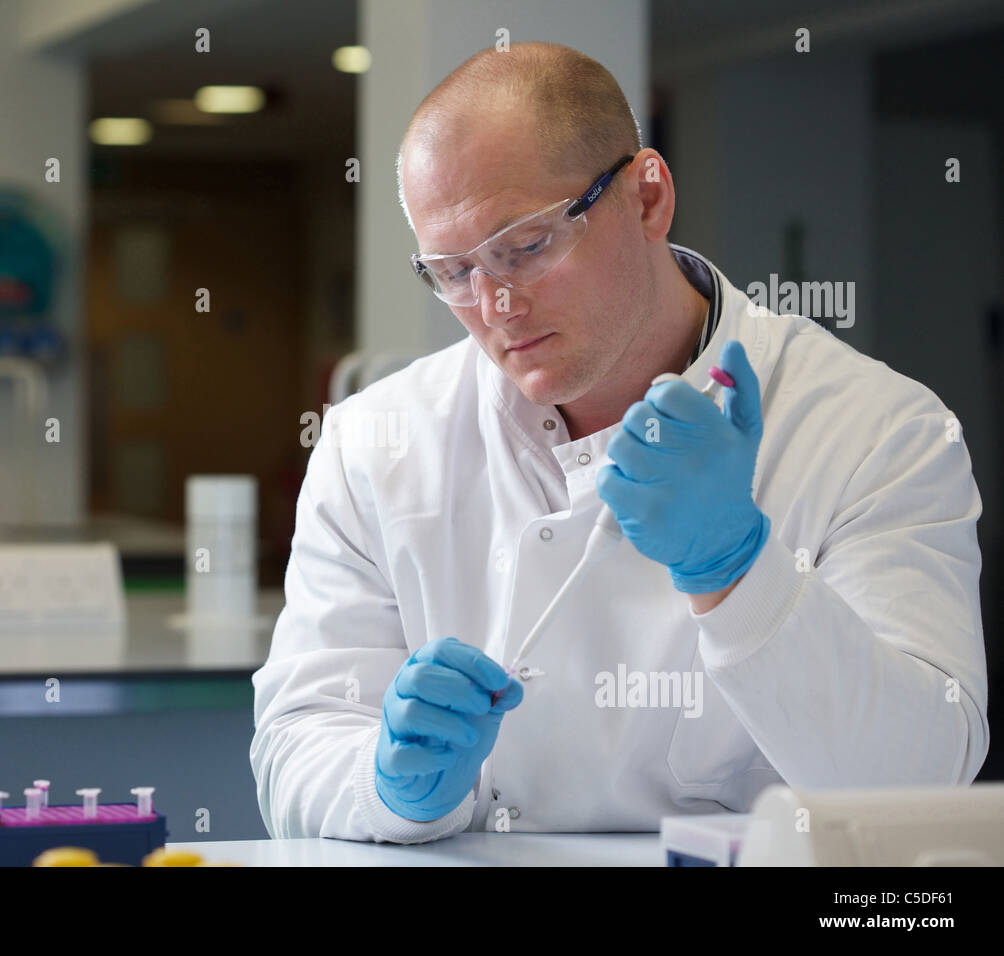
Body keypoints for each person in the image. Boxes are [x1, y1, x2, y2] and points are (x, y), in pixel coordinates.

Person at [250, 42, 988, 843]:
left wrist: (739, 574)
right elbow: (295, 742)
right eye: (454, 272)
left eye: (525, 246)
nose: (494, 304)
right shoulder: (375, 442)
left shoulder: (876, 430)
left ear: (646, 198)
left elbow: (921, 784)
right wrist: (392, 786)